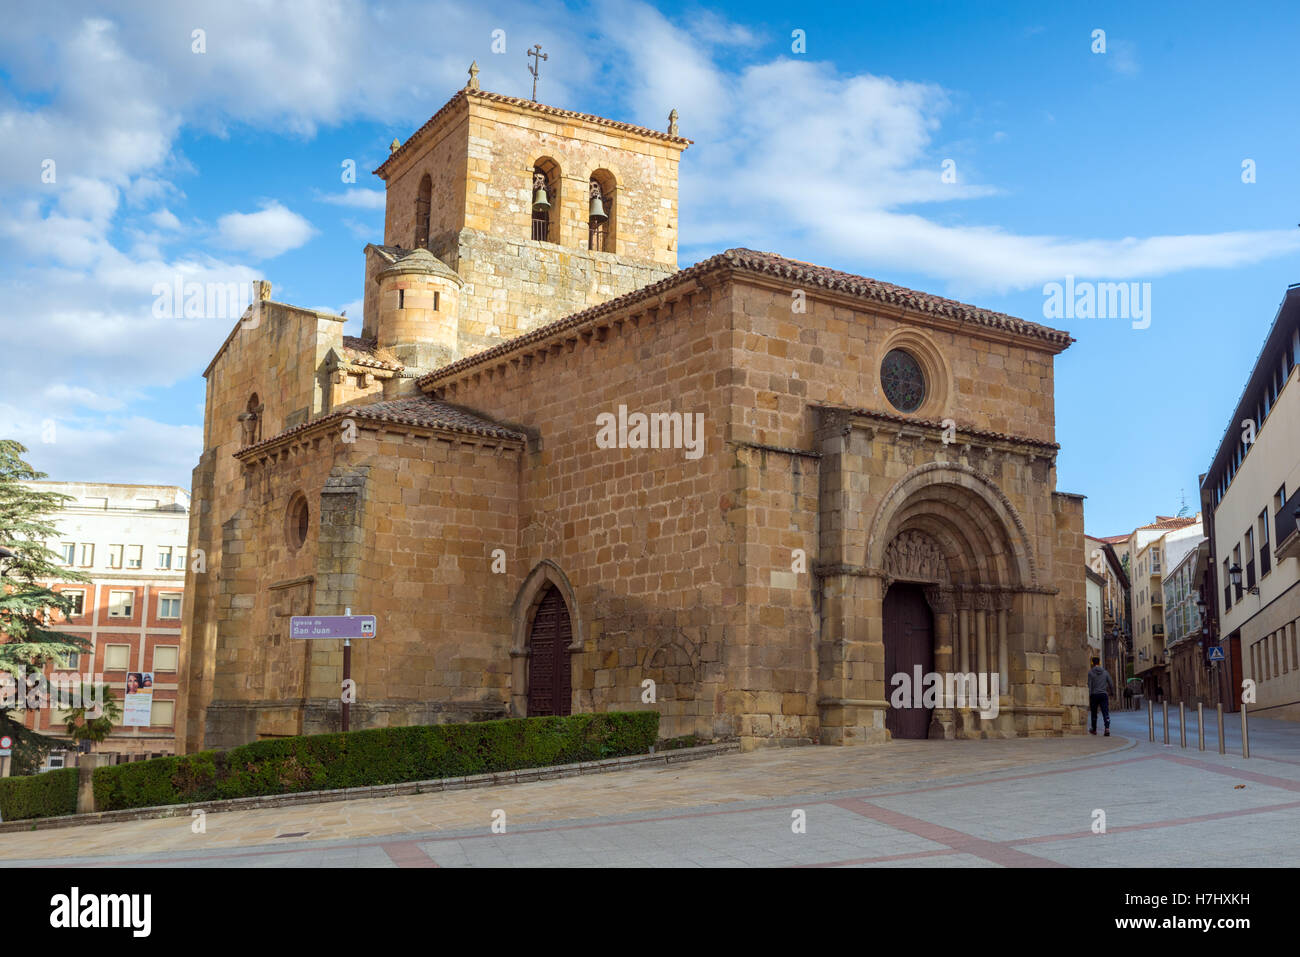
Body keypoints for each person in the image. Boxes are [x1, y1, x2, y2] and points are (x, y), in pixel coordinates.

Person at [1087, 656, 1115, 735]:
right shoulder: (1105, 672)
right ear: (1099, 663)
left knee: (1094, 713)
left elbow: (1089, 685)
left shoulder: (1090, 673)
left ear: (1092, 663)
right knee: (1105, 712)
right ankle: (1107, 729)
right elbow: (1111, 683)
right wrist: (1112, 692)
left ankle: (1094, 729)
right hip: (1103, 694)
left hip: (1094, 695)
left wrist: (1089, 695)